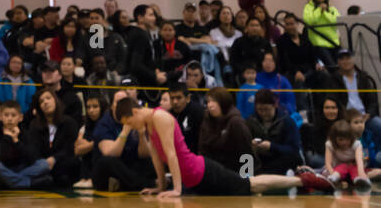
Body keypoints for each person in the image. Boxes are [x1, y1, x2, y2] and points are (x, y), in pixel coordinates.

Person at [116, 97, 327, 198]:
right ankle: (301, 179)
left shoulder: (159, 117)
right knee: (247, 188)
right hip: (195, 178)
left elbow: (171, 154)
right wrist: (161, 187)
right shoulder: (147, 125)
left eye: (128, 123)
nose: (130, 127)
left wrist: (177, 190)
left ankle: (302, 179)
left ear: (133, 113)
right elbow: (156, 157)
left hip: (201, 171)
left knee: (250, 185)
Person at [90, 88, 156, 192]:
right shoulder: (104, 124)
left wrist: (142, 135)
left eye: (125, 102)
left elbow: (144, 154)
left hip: (130, 165)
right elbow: (110, 153)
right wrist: (125, 132)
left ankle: (123, 184)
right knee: (108, 162)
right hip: (108, 169)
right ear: (112, 106)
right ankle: (146, 184)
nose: (122, 106)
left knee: (150, 160)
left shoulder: (136, 118)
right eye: (118, 102)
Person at [0, 101, 56, 191]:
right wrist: (7, 137)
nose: (10, 119)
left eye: (13, 115)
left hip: (22, 168)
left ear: (20, 118)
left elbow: (32, 158)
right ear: (1, 117)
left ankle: (10, 182)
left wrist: (16, 141)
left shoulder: (24, 131)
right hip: (4, 167)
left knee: (44, 164)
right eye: (6, 115)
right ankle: (26, 183)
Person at [199, 87, 254, 173]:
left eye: (214, 101)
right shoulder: (207, 120)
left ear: (224, 102)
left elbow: (246, 153)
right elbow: (202, 149)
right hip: (213, 173)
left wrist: (247, 179)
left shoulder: (236, 122)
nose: (210, 105)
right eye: (208, 101)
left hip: (235, 174)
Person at [246, 90, 301, 175]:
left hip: (279, 159)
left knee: (292, 158)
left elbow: (294, 150)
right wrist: (251, 146)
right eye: (260, 110)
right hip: (259, 159)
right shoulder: (251, 121)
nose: (263, 113)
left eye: (267, 109)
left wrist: (271, 146)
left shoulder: (286, 121)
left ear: (275, 105)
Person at [125, 4, 169, 93]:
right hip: (141, 83)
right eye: (151, 15)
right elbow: (136, 64)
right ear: (140, 18)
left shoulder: (144, 34)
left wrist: (155, 70)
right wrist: (154, 76)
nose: (154, 18)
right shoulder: (139, 35)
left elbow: (147, 59)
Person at [323, 118, 373, 193]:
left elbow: (359, 162)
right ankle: (335, 177)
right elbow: (328, 163)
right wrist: (332, 173)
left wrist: (361, 174)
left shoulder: (356, 144)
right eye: (341, 139)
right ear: (334, 138)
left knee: (355, 169)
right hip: (338, 169)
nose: (344, 142)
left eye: (347, 139)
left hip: (354, 167)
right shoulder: (330, 144)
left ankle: (359, 180)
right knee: (342, 167)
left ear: (351, 137)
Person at [73, 92, 108, 187]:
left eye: (95, 106)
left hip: (102, 160)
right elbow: (77, 150)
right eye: (88, 107)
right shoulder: (85, 127)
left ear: (102, 107)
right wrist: (93, 144)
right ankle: (85, 178)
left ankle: (93, 179)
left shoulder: (107, 124)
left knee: (96, 151)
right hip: (86, 160)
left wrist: (90, 145)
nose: (91, 110)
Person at [301, 96, 344, 169]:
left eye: (333, 108)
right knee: (313, 159)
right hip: (323, 157)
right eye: (327, 108)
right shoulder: (316, 126)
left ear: (338, 109)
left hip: (342, 157)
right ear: (322, 110)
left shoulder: (344, 125)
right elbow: (318, 149)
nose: (330, 111)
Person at [302, 0, 340, 67]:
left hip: (333, 42)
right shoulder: (308, 7)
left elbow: (337, 21)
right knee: (332, 67)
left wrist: (325, 12)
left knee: (340, 67)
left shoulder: (331, 7)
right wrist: (319, 10)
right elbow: (309, 21)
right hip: (319, 43)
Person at [167, 81, 204, 154]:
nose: (175, 102)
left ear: (188, 98)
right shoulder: (169, 115)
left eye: (178, 98)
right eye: (172, 98)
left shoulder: (198, 113)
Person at [256, 50, 296, 116]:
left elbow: (291, 103)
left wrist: (284, 110)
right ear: (261, 63)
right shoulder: (255, 78)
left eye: (271, 61)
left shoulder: (283, 80)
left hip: (280, 115)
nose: (268, 63)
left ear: (275, 63)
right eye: (265, 60)